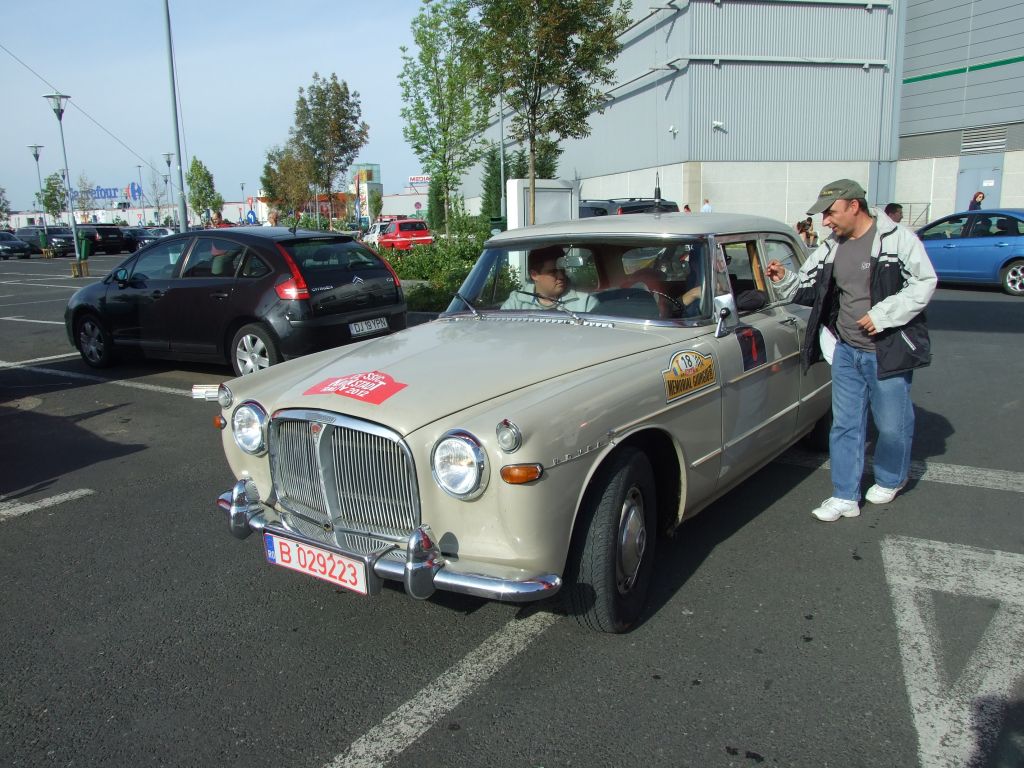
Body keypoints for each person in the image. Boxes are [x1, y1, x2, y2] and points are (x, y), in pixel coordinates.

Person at [765, 179, 936, 523]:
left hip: (886, 351)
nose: (826, 221)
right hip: (845, 351)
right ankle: (844, 494)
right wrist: (784, 276)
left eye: (831, 213)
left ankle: (891, 478)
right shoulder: (832, 246)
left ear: (854, 206)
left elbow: (925, 282)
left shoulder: (898, 240)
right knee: (844, 425)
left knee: (891, 426)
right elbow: (806, 285)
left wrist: (883, 315)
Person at [501, 245, 598, 311]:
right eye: (553, 272)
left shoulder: (584, 301)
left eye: (562, 270)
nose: (561, 276)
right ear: (534, 275)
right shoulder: (517, 302)